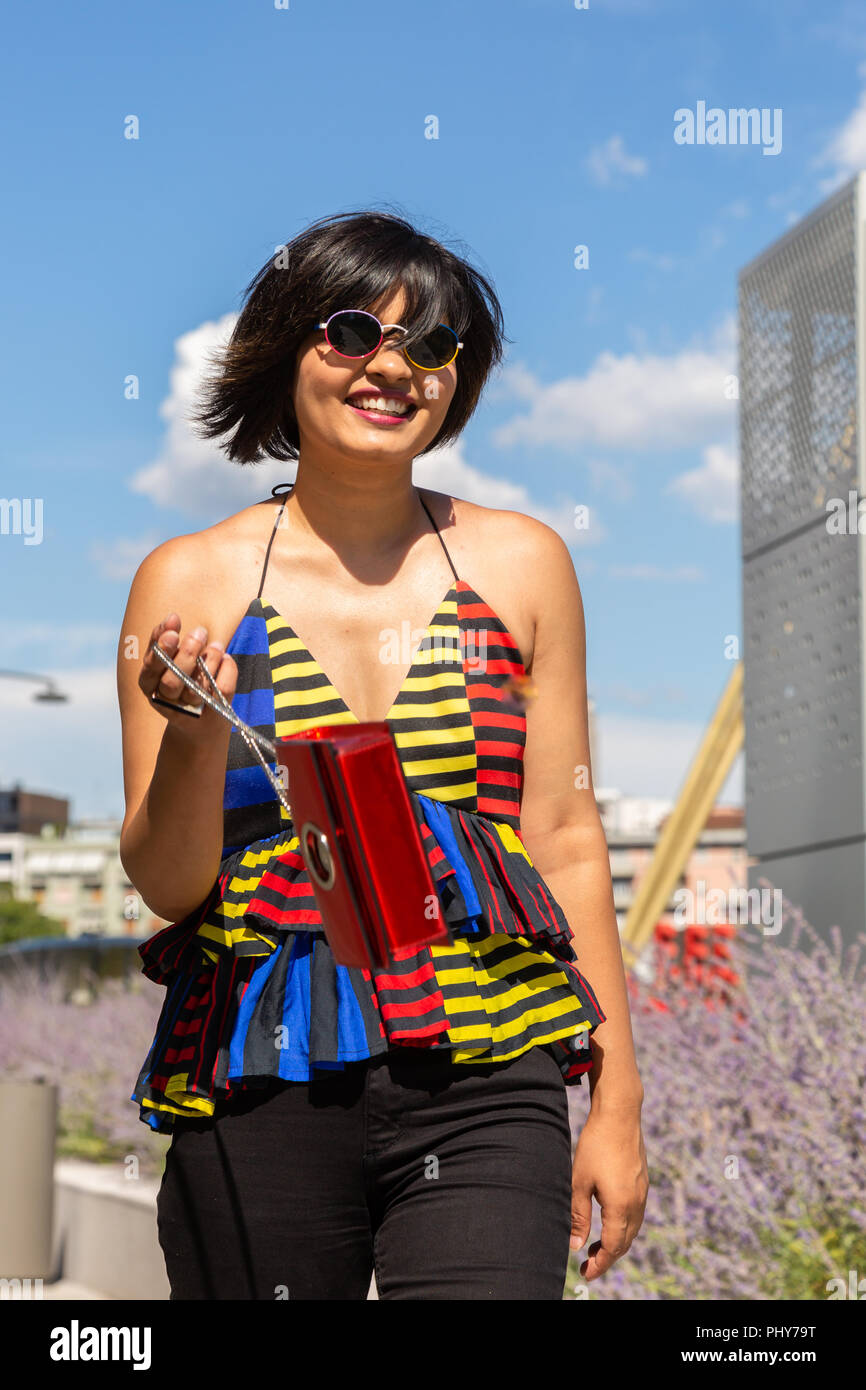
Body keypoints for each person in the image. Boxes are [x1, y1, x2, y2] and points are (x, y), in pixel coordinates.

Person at [117, 208, 648, 1301]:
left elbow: (564, 839)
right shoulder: (190, 579)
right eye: (353, 330)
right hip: (262, 1067)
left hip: (488, 1062)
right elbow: (168, 883)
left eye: (432, 344)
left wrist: (616, 1104)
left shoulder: (522, 563)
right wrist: (193, 732)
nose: (391, 366)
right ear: (282, 349)